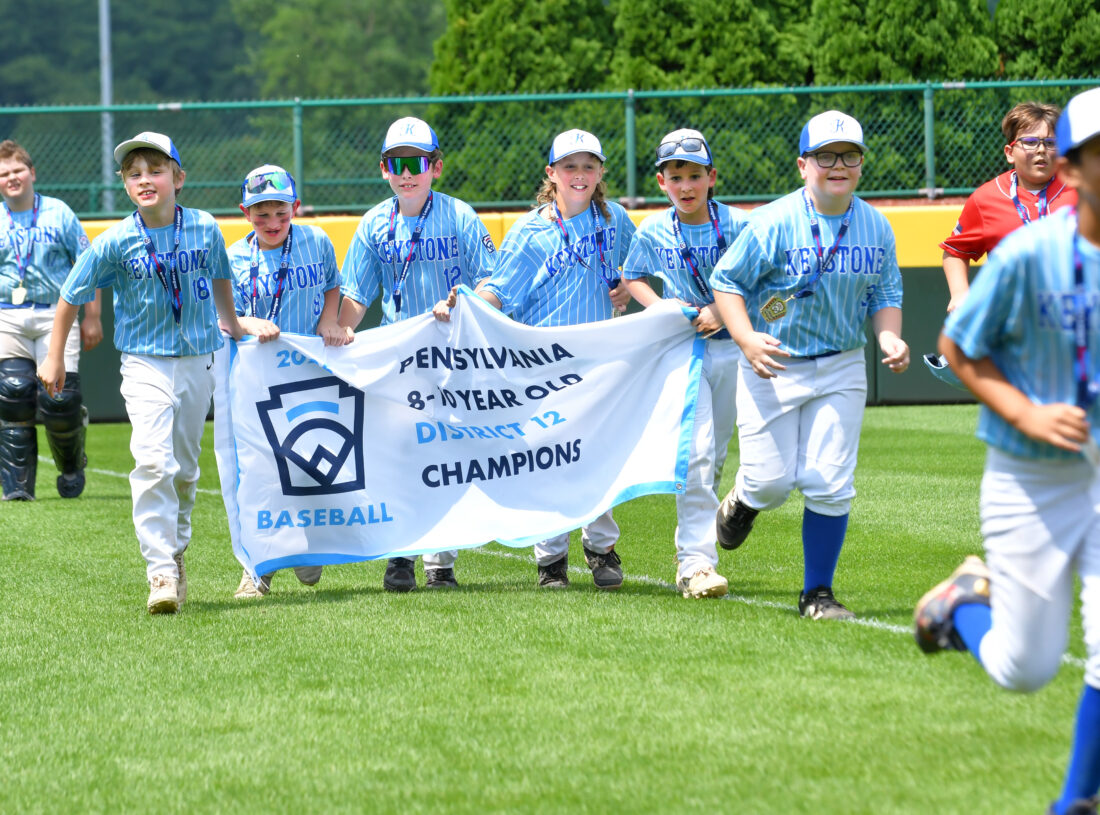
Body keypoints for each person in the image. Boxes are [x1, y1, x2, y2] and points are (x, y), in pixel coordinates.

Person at [915, 87, 1100, 815]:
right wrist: (1025, 409)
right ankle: (963, 602)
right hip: (1031, 472)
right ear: (1076, 169)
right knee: (1026, 667)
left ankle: (1074, 800)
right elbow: (959, 346)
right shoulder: (1030, 254)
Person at [38, 131, 268, 615]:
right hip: (143, 362)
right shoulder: (117, 239)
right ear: (124, 184)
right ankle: (159, 570)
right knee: (151, 462)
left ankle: (177, 549)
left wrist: (232, 322)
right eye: (134, 173)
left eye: (156, 170)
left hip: (199, 361)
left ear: (178, 178)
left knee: (184, 472)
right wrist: (55, 353)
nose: (145, 179)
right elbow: (71, 295)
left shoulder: (204, 228)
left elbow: (221, 277)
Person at [710, 110, 909, 620]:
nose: (838, 165)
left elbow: (884, 292)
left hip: (842, 363)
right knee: (771, 484)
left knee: (829, 481)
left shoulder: (876, 224)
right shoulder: (774, 221)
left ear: (861, 164)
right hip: (773, 362)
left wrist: (889, 336)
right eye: (826, 156)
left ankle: (816, 593)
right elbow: (727, 283)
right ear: (804, 165)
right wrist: (746, 338)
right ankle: (743, 501)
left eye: (849, 155)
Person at [337, 116, 497, 592]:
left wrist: (460, 301)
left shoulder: (461, 216)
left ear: (436, 167)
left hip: (455, 354)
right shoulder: (373, 224)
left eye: (417, 162)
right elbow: (355, 301)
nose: (407, 173)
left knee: (447, 453)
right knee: (400, 455)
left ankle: (440, 563)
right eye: (396, 163)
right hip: (398, 356)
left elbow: (493, 281)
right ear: (384, 169)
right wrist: (327, 337)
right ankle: (401, 555)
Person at [476, 128, 635, 590]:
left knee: (599, 455)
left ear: (601, 172)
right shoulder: (530, 230)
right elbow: (500, 290)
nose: (580, 175)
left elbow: (639, 268)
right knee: (546, 457)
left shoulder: (616, 220)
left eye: (589, 165)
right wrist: (464, 307)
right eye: (570, 166)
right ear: (552, 173)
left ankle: (601, 547)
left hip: (597, 358)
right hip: (540, 362)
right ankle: (550, 559)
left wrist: (627, 282)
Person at [621, 128, 748, 599]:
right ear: (661, 182)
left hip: (734, 347)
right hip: (684, 349)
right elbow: (632, 275)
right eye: (677, 177)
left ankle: (703, 535)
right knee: (694, 455)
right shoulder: (654, 228)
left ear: (712, 177)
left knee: (715, 460)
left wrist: (725, 311)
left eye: (695, 175)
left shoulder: (739, 225)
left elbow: (768, 281)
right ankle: (696, 563)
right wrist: (661, 308)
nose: (687, 185)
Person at [221, 164, 352, 600]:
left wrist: (330, 319)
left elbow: (333, 286)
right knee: (259, 475)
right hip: (255, 381)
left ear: (294, 207)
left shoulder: (315, 241)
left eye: (280, 212)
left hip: (308, 376)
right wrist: (246, 322)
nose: (273, 223)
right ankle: (256, 569)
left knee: (310, 466)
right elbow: (223, 319)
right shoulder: (234, 258)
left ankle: (307, 544)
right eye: (262, 215)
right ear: (245, 212)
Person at [0, 139, 101, 501]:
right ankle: (17, 486)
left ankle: (72, 465)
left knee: (60, 400)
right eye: (4, 174)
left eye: (17, 170)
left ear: (32, 173)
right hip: (7, 316)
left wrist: (93, 316)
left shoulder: (59, 213)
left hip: (56, 313)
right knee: (13, 393)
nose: (12, 178)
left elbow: (88, 265)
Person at [941, 101, 1077, 314]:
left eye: (1050, 143)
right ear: (1009, 152)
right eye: (1030, 142)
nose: (1041, 149)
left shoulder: (1081, 191)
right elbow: (955, 252)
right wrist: (960, 293)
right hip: (1009, 322)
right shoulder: (985, 198)